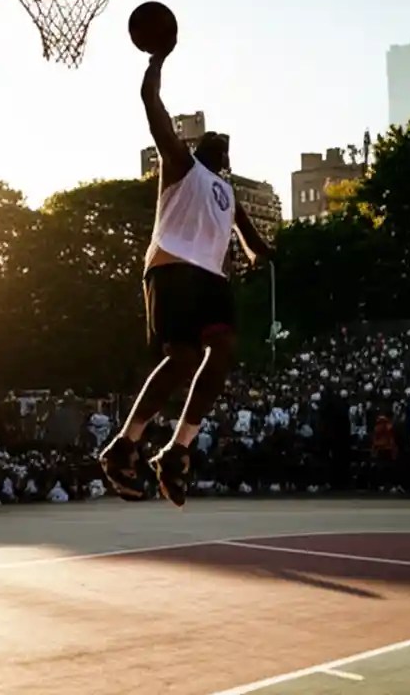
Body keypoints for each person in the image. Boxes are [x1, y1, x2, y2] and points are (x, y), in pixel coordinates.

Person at [99, 51, 272, 507]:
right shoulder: (181, 165)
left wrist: (265, 256)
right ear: (204, 152)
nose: (219, 152)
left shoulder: (228, 194)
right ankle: (124, 443)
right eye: (215, 147)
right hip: (173, 265)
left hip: (210, 277)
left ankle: (177, 450)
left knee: (223, 350)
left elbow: (253, 243)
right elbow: (150, 103)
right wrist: (156, 62)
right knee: (183, 358)